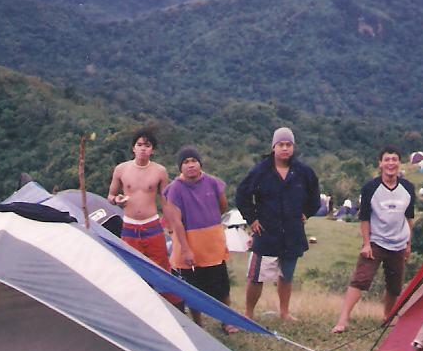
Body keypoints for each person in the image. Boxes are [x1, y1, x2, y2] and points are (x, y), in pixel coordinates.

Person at [235, 127, 320, 321]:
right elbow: (242, 195)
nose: (285, 148)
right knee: (257, 276)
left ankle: (284, 312)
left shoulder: (303, 172)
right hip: (267, 232)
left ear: (293, 147)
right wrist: (252, 219)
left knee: (286, 275)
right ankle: (248, 314)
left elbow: (315, 197)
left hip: (292, 232)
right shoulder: (261, 171)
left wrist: (306, 213)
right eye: (280, 144)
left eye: (288, 145)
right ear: (273, 147)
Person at [332, 146, 414, 333]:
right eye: (387, 159)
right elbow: (365, 218)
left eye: (394, 159)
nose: (391, 163)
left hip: (398, 243)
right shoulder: (370, 188)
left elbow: (409, 218)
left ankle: (387, 317)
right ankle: (343, 320)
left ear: (399, 163)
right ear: (380, 164)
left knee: (394, 285)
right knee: (360, 279)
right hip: (376, 242)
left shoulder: (408, 188)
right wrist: (367, 244)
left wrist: (408, 243)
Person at [108, 129, 191, 306]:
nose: (143, 149)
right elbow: (110, 196)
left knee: (161, 268)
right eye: (139, 145)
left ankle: (172, 308)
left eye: (147, 145)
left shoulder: (159, 171)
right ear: (133, 148)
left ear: (152, 150)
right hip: (129, 227)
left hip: (152, 225)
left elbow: (165, 201)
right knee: (131, 269)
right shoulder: (121, 169)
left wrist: (172, 226)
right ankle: (136, 306)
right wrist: (117, 200)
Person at [163, 146, 239, 333]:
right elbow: (176, 222)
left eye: (193, 161)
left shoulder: (212, 183)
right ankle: (198, 324)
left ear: (200, 164)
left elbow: (222, 206)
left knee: (221, 286)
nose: (190, 165)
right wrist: (187, 249)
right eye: (186, 162)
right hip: (188, 243)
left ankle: (227, 320)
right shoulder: (175, 189)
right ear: (180, 167)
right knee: (192, 289)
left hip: (212, 242)